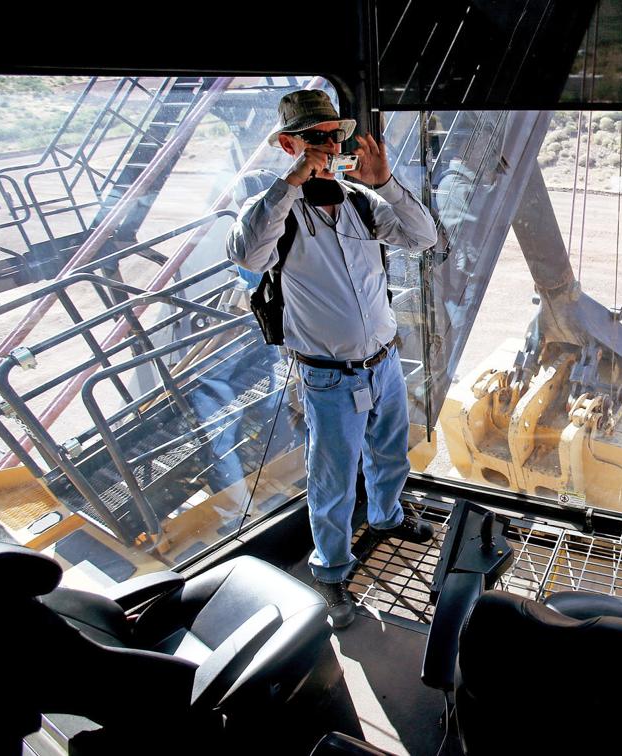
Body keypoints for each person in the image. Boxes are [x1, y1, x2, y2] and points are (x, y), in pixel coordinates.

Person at [227, 90, 438, 630]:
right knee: (334, 479)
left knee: (391, 452)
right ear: (288, 144)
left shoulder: (362, 204)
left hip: (384, 363)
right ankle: (332, 569)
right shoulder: (279, 214)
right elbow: (246, 254)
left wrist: (383, 181)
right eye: (314, 138)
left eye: (334, 136)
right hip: (329, 377)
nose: (328, 146)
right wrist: (291, 182)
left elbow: (423, 236)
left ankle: (388, 517)